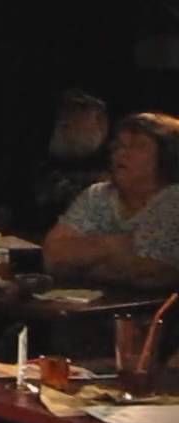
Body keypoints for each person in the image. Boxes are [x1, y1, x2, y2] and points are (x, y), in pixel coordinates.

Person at [42, 111, 179, 290]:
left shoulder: (173, 200)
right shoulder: (97, 195)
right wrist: (113, 245)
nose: (122, 153)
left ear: (167, 155)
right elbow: (53, 256)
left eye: (138, 146)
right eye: (119, 145)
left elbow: (155, 274)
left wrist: (85, 262)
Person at [29, 89, 110, 233]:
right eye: (66, 114)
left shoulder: (113, 162)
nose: (68, 121)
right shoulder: (45, 161)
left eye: (80, 113)